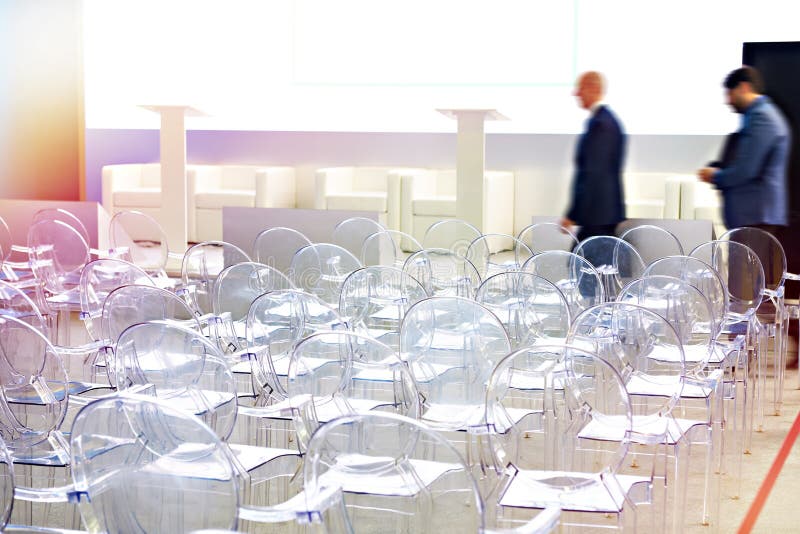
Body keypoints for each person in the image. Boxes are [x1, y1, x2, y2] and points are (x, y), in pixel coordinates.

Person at [698, 66, 790, 236]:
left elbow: (747, 169)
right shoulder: (757, 115)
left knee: (745, 264)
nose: (728, 100)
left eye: (730, 93)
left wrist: (715, 176)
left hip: (756, 216)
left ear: (744, 87)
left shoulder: (762, 117)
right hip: (753, 217)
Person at [561, 71, 626, 242]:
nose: (576, 93)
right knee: (584, 264)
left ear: (593, 88)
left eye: (580, 88)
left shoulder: (601, 124)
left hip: (598, 214)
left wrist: (572, 213)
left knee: (582, 265)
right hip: (599, 213)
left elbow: (593, 173)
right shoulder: (603, 121)